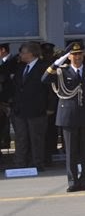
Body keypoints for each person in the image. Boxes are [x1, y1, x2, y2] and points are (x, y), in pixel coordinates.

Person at [42, 40, 85, 192]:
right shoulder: (62, 71)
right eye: (74, 54)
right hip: (68, 116)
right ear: (69, 57)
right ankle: (73, 182)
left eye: (80, 54)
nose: (77, 57)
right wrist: (58, 62)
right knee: (71, 152)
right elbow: (44, 78)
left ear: (84, 54)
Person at [5, 42, 53, 170]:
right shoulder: (20, 67)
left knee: (36, 138)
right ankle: (20, 163)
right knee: (21, 138)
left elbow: (51, 90)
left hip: (37, 110)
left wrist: (50, 108)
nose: (20, 55)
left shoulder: (44, 67)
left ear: (30, 53)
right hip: (19, 110)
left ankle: (37, 164)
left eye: (22, 52)